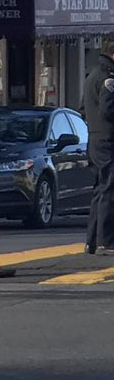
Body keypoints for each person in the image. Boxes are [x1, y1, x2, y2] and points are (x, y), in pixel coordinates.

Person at [81, 40, 114, 254]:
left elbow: (83, 109)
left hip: (95, 139)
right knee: (110, 188)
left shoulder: (93, 75)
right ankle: (106, 241)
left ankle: (92, 242)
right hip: (108, 140)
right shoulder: (108, 78)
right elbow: (108, 110)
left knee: (100, 189)